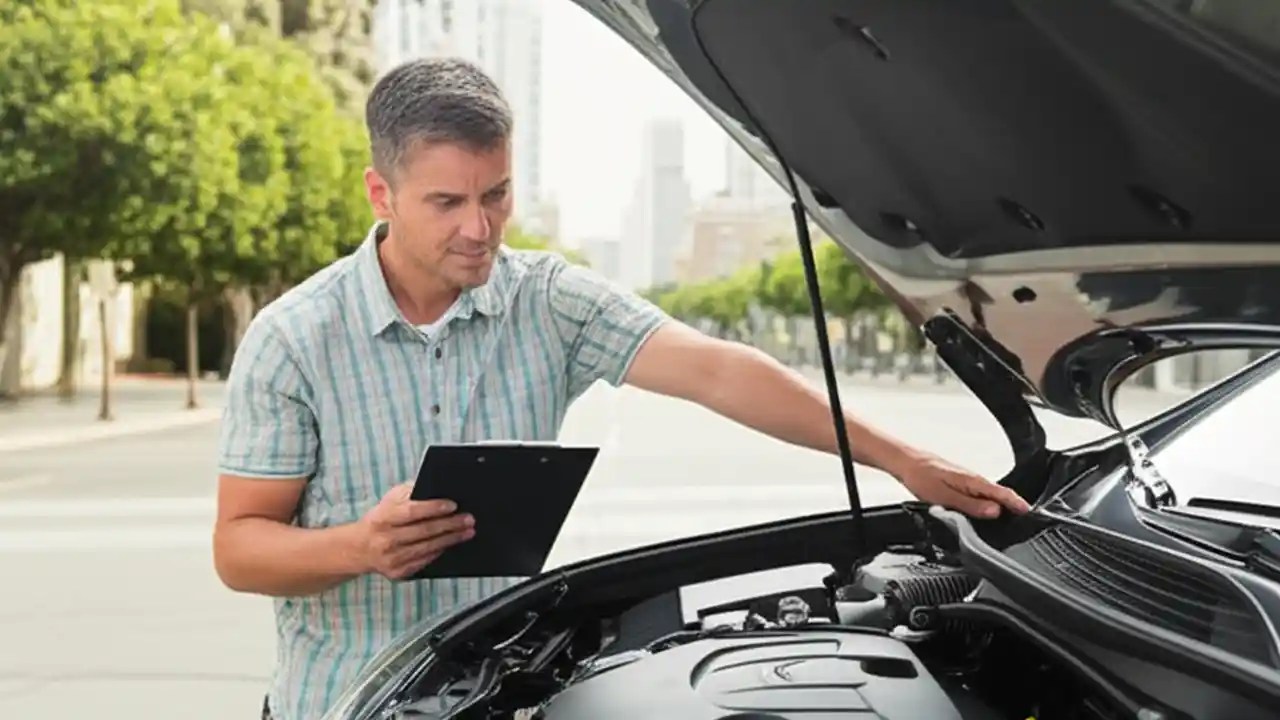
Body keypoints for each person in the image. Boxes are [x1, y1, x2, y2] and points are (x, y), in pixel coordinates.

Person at [213, 57, 1030, 720]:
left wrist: (901, 458)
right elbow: (240, 547)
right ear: (380, 194)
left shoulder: (547, 302)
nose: (480, 227)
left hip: (500, 696)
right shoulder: (294, 338)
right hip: (345, 704)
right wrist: (360, 546)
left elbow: (719, 369)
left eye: (496, 194)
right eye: (447, 203)